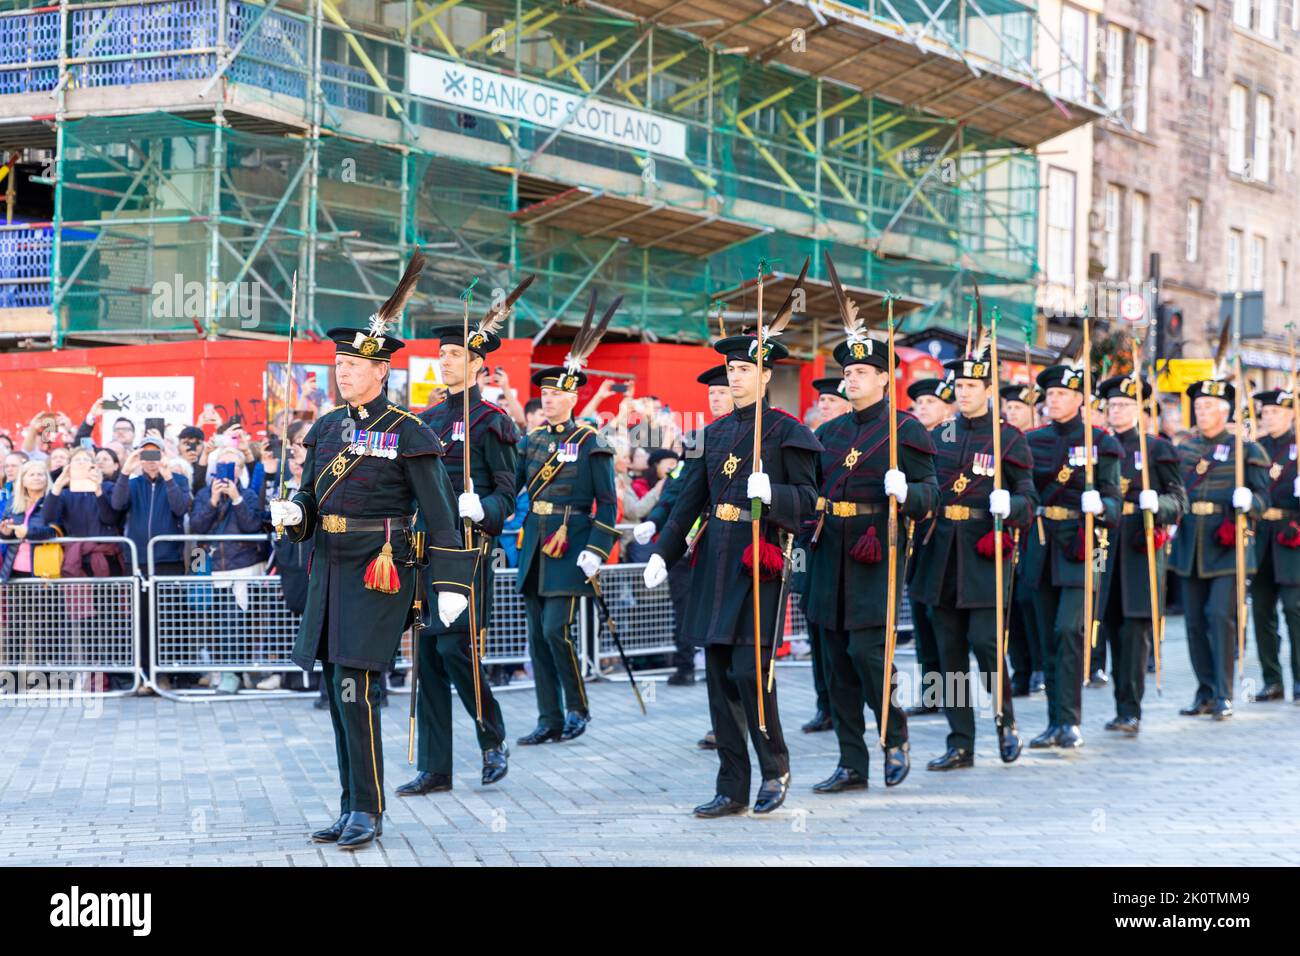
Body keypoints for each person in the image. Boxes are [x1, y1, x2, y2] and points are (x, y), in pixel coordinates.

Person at [269, 253, 476, 851]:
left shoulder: (411, 431)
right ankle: (348, 803)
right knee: (337, 690)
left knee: (357, 689)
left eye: (355, 365)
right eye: (339, 363)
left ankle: (370, 808)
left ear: (382, 370)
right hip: (328, 569)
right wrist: (295, 516)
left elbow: (439, 515)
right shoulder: (327, 428)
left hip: (378, 572)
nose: (343, 373)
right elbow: (310, 498)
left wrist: (453, 586)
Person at [644, 329, 821, 817]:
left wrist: (776, 494)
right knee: (719, 675)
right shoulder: (710, 435)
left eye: (746, 370)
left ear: (765, 376)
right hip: (715, 558)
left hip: (759, 559)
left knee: (751, 671)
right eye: (732, 370)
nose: (737, 377)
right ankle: (732, 786)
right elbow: (686, 505)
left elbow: (809, 502)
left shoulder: (789, 432)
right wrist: (664, 552)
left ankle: (775, 768)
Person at [801, 335, 937, 794]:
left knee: (867, 653)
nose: (851, 378)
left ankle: (893, 735)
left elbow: (930, 496)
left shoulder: (906, 430)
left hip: (874, 552)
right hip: (828, 550)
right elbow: (807, 490)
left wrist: (907, 492)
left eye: (860, 372)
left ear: (884, 377)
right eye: (847, 372)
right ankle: (850, 763)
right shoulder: (828, 434)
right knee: (835, 662)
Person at [397, 319, 518, 796]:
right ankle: (435, 766)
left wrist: (482, 507)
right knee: (427, 655)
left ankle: (492, 739)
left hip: (466, 550)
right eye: (442, 354)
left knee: (454, 647)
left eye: (454, 355)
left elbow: (508, 495)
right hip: (426, 549)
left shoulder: (493, 422)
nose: (445, 361)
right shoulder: (427, 420)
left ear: (476, 365)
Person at [911, 349, 1034, 771]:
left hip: (983, 553)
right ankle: (960, 741)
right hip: (941, 550)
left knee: (984, 644)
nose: (963, 393)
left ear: (988, 390)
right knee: (949, 653)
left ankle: (1005, 722)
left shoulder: (1008, 438)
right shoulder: (939, 434)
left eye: (971, 386)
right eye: (958, 386)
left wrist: (1011, 503)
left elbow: (1029, 500)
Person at [513, 302, 619, 746]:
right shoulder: (531, 441)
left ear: (574, 397)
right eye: (545, 393)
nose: (549, 398)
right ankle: (548, 718)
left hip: (570, 544)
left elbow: (608, 505)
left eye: (557, 393)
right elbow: (511, 488)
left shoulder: (592, 442)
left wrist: (595, 551)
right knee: (538, 636)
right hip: (535, 544)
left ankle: (577, 707)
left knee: (558, 629)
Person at [1020, 364, 1122, 750]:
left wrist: (1102, 506)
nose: (1054, 400)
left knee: (1068, 629)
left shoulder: (1100, 442)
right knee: (1047, 635)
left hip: (1081, 547)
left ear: (1080, 399)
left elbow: (1114, 498)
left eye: (1062, 394)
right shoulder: (1031, 441)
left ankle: (1071, 720)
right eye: (1049, 395)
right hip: (1042, 543)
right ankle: (1054, 722)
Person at [1169, 378, 1269, 721]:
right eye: (1198, 406)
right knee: (1195, 622)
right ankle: (1205, 690)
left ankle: (1225, 692)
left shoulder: (1247, 450)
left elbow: (1263, 499)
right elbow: (1175, 491)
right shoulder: (1185, 450)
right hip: (1189, 543)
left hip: (1227, 545)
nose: (1202, 411)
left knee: (1219, 616)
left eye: (1209, 406)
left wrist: (1250, 501)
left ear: (1225, 412)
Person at [1094, 374, 1186, 735]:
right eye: (1112, 405)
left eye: (1124, 405)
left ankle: (1129, 707)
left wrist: (1158, 504)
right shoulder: (1097, 445)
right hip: (1104, 543)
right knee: (1108, 623)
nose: (1117, 411)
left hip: (1138, 543)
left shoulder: (1156, 449)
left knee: (1134, 630)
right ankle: (1113, 692)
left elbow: (1180, 501)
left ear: (1139, 410)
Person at [109, 435, 194, 683]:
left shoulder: (178, 480)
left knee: (171, 618)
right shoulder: (132, 483)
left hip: (169, 560)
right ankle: (146, 673)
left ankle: (169, 672)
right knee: (143, 621)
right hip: (139, 562)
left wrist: (168, 475)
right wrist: (125, 471)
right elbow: (116, 503)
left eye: (155, 454)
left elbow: (180, 508)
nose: (150, 460)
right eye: (145, 455)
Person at [794, 376, 852, 733]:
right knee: (817, 632)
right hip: (812, 545)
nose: (825, 405)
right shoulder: (813, 440)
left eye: (832, 400)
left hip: (846, 547)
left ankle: (863, 700)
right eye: (823, 400)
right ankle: (825, 704)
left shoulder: (848, 441)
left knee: (856, 640)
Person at [190, 447, 270, 695]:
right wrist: (214, 501)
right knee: (214, 623)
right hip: (211, 568)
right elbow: (196, 527)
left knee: (236, 623)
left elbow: (252, 525)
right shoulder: (204, 494)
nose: (227, 470)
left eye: (233, 465)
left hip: (241, 568)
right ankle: (226, 670)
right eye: (222, 465)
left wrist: (236, 498)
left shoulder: (247, 494)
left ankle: (234, 672)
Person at [902, 375, 955, 717]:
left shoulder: (950, 440)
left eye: (930, 402)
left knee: (944, 625)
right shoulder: (911, 439)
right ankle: (932, 692)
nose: (922, 408)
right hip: (917, 538)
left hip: (947, 539)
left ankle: (952, 695)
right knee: (921, 620)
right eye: (919, 403)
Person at [1247, 388, 1300, 703]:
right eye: (1265, 412)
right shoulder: (1256, 449)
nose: (1269, 417)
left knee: (1294, 609)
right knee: (1262, 609)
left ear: (1291, 414)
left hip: (1291, 532)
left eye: (1276, 412)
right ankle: (1272, 679)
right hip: (1261, 533)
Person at [1000, 382, 1046, 696]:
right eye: (1010, 407)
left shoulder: (1039, 440)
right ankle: (1020, 667)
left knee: (1031, 600)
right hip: (1007, 529)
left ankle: (1040, 666)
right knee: (1011, 603)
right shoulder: (1003, 440)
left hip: (1036, 530)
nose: (1012, 412)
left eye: (1019, 408)